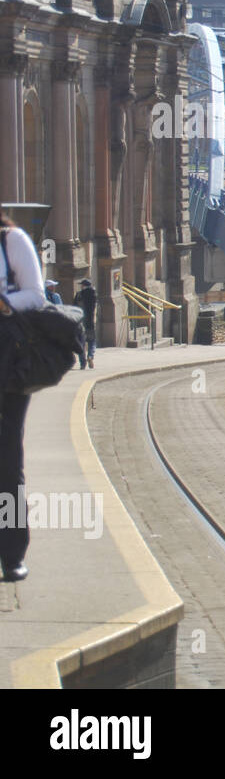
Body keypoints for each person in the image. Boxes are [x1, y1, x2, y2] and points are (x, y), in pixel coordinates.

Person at [0, 209, 46, 582]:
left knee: (6, 462)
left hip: (7, 366)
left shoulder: (11, 241)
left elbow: (36, 295)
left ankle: (12, 552)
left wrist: (3, 304)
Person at [73, 278, 97, 369]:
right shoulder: (93, 294)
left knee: (81, 343)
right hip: (90, 322)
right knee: (92, 341)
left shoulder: (79, 295)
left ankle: (82, 363)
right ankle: (90, 356)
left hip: (80, 323)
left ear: (83, 286)